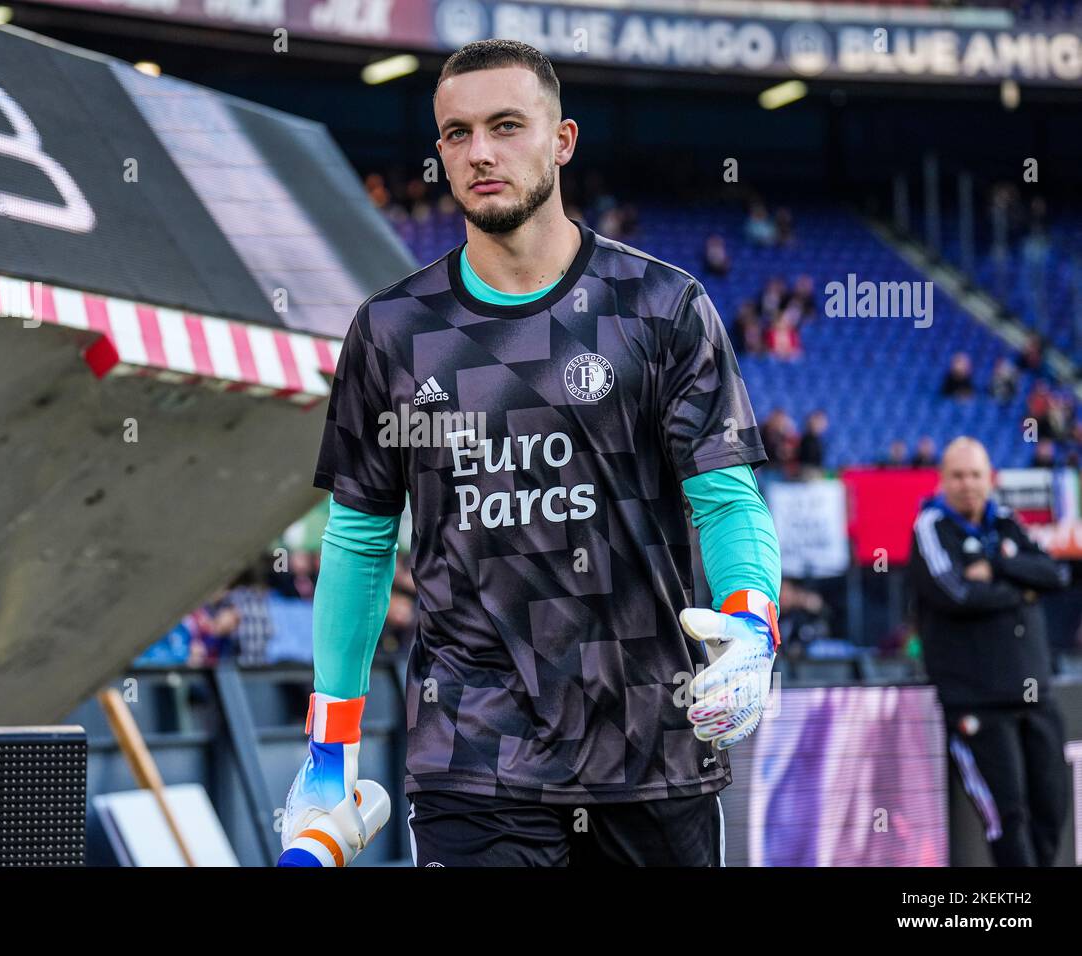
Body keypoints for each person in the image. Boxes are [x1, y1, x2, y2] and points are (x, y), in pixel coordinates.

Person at [281, 40, 782, 868]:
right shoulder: (392, 332)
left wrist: (752, 625)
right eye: (455, 133)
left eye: (506, 126)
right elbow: (360, 539)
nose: (479, 152)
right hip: (475, 755)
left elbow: (725, 499)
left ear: (562, 139)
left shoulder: (660, 307)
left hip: (652, 745)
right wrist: (331, 745)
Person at [907, 437, 1071, 867]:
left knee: (1052, 810)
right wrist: (1023, 591)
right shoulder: (930, 526)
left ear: (990, 478)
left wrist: (997, 567)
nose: (967, 484)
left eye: (976, 474)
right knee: (1008, 817)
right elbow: (957, 593)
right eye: (958, 475)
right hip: (977, 703)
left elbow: (1055, 573)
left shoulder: (1006, 521)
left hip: (1037, 697)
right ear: (942, 480)